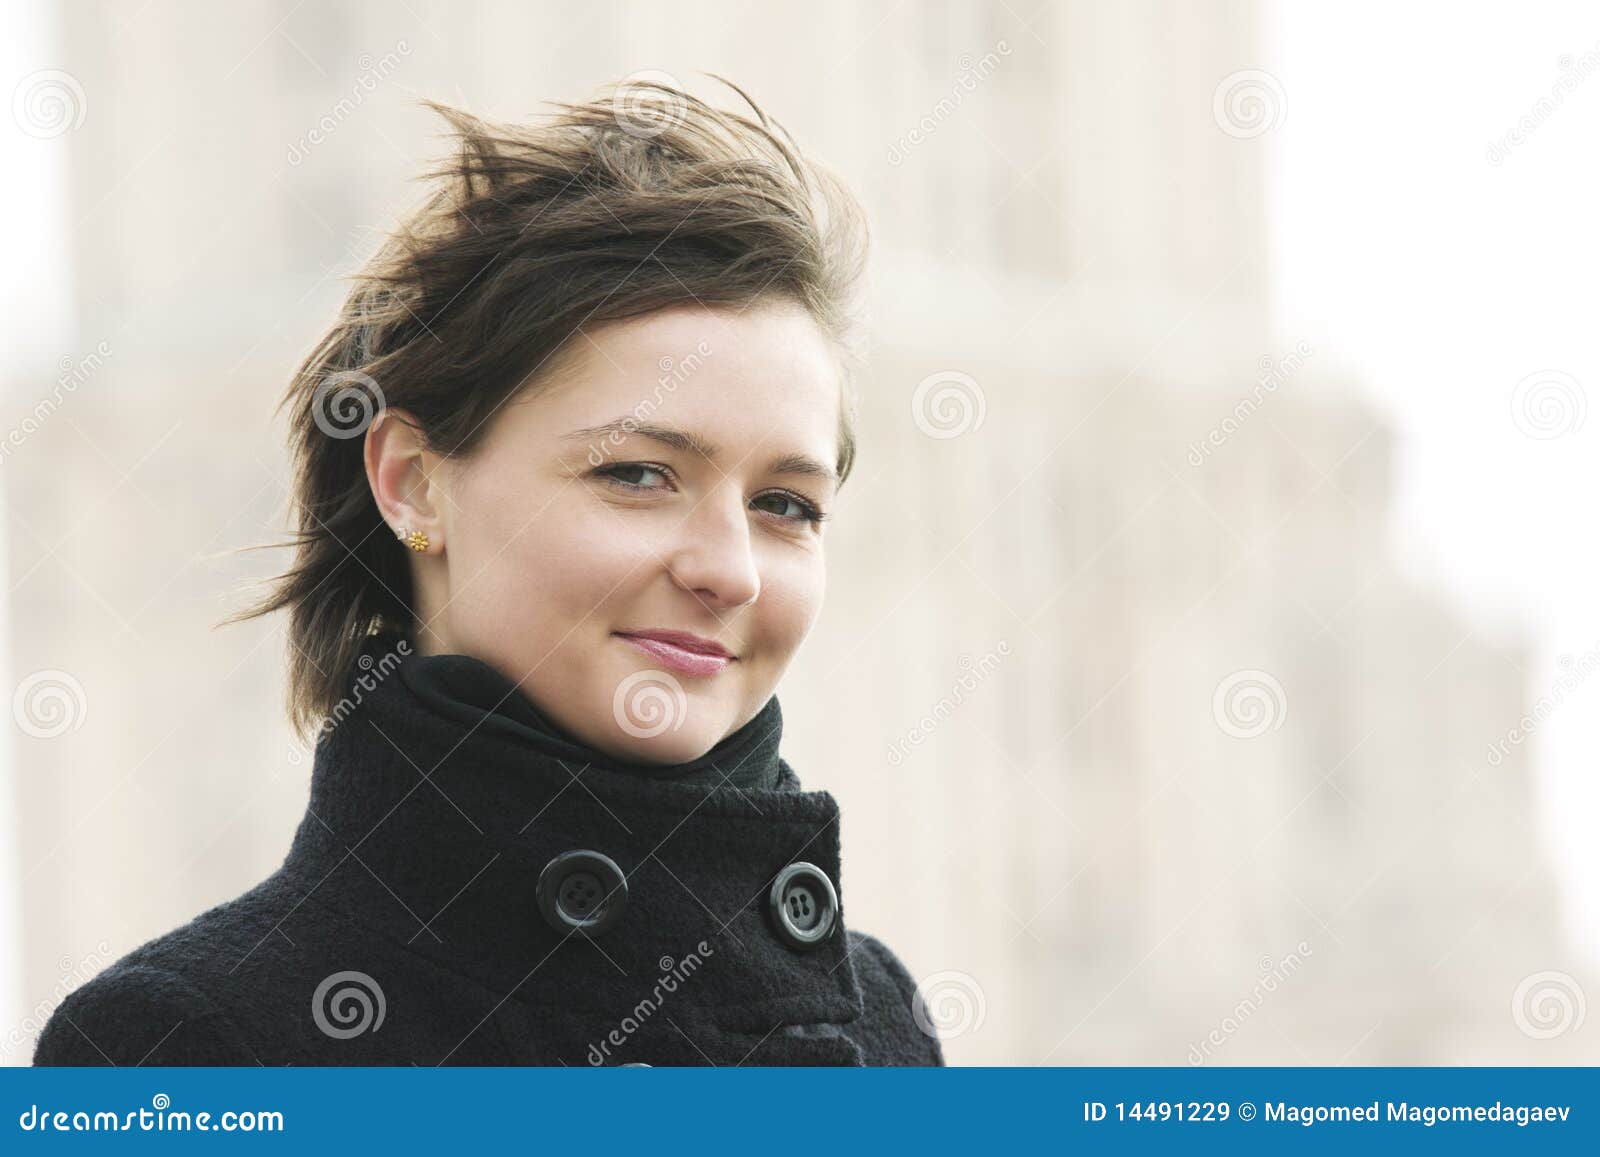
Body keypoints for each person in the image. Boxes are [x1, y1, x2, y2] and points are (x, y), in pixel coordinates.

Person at [33, 75, 943, 1066]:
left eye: (785, 506)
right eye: (638, 474)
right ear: (414, 482)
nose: (729, 570)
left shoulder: (882, 1017)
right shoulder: (180, 1042)